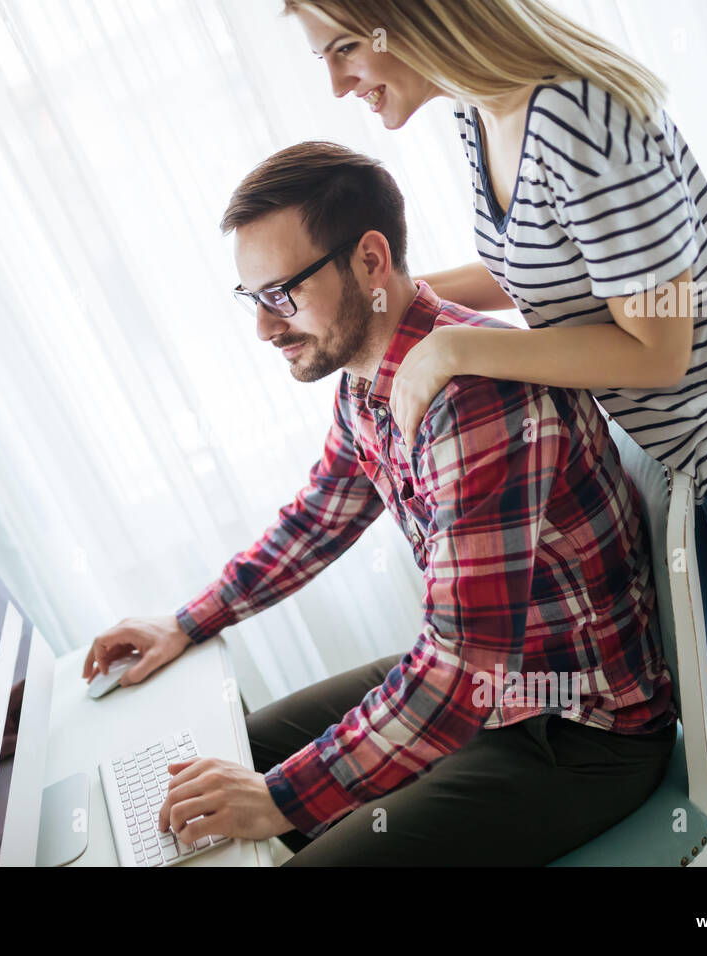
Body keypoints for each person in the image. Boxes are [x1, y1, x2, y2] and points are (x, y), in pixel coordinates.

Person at [285, 0, 707, 771]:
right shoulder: (481, 113)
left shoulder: (577, 117)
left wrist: (456, 348)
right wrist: (383, 304)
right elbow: (528, 268)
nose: (336, 83)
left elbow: (658, 352)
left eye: (342, 49)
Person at [83, 141, 676, 865]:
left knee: (278, 820)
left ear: (369, 261)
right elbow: (318, 519)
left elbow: (458, 671)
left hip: (573, 731)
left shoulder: (476, 396)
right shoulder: (369, 374)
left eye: (282, 295)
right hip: (495, 685)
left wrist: (277, 799)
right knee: (218, 760)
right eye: (253, 299)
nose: (265, 329)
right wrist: (184, 622)